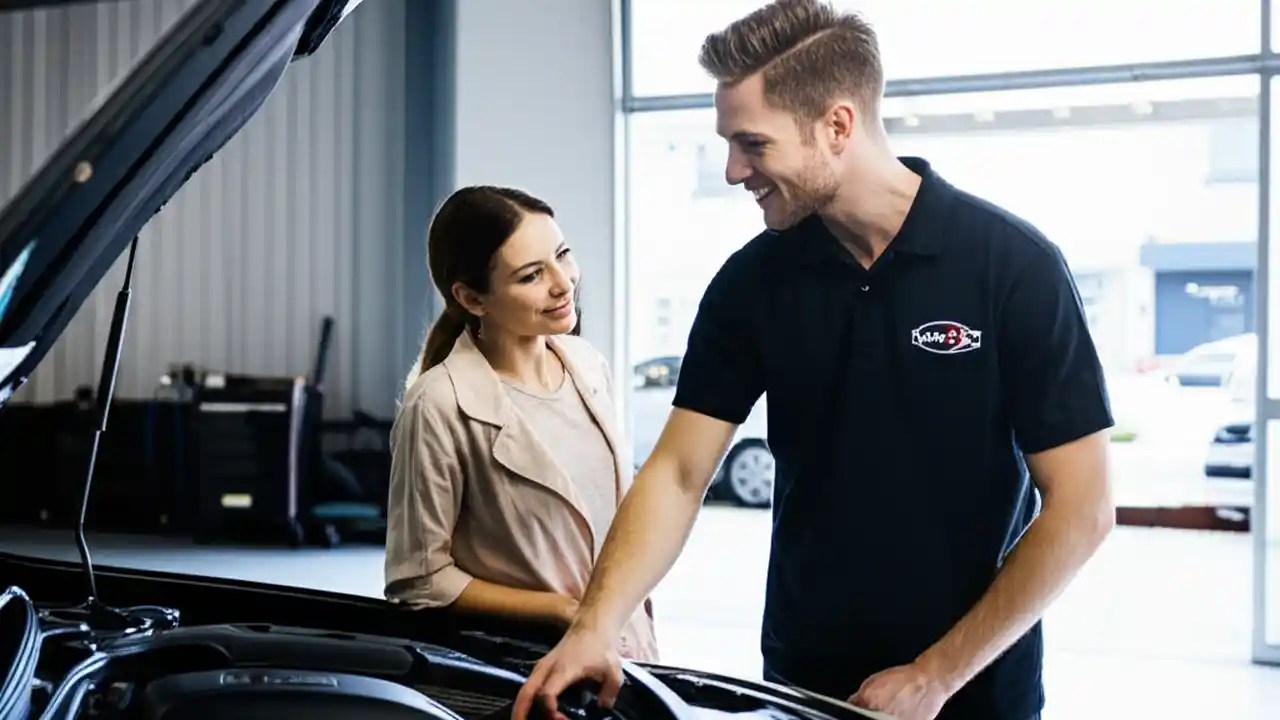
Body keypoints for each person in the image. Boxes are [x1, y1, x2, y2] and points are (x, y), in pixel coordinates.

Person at [512, 2, 1114, 719]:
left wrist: (933, 677)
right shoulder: (753, 283)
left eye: (752, 144)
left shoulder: (1012, 268)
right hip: (802, 683)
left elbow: (1082, 507)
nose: (734, 170)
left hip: (974, 690)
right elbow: (677, 473)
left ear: (837, 125)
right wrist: (596, 624)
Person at [384, 185, 658, 663]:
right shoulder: (439, 404)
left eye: (562, 255)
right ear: (472, 298)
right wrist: (560, 610)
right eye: (532, 275)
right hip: (529, 663)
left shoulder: (587, 365)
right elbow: (420, 579)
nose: (563, 282)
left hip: (628, 648)